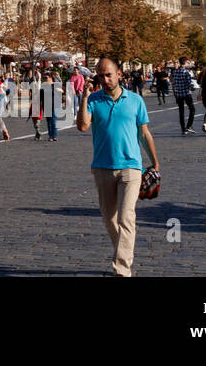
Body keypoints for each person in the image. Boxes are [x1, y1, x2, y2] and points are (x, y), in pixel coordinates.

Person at [76, 59, 159, 277]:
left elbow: (144, 132)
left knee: (126, 217)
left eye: (109, 75)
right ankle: (122, 252)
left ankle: (122, 268)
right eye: (101, 76)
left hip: (131, 166)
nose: (105, 80)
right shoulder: (94, 99)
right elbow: (83, 126)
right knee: (109, 218)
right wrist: (84, 98)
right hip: (103, 166)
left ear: (119, 74)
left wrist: (155, 161)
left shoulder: (135, 100)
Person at [40, 74, 59, 142]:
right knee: (49, 122)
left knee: (54, 121)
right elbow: (41, 96)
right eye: (44, 78)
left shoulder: (55, 85)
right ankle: (50, 136)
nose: (45, 79)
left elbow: (56, 93)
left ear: (51, 78)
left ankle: (54, 136)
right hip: (46, 105)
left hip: (55, 105)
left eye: (46, 78)